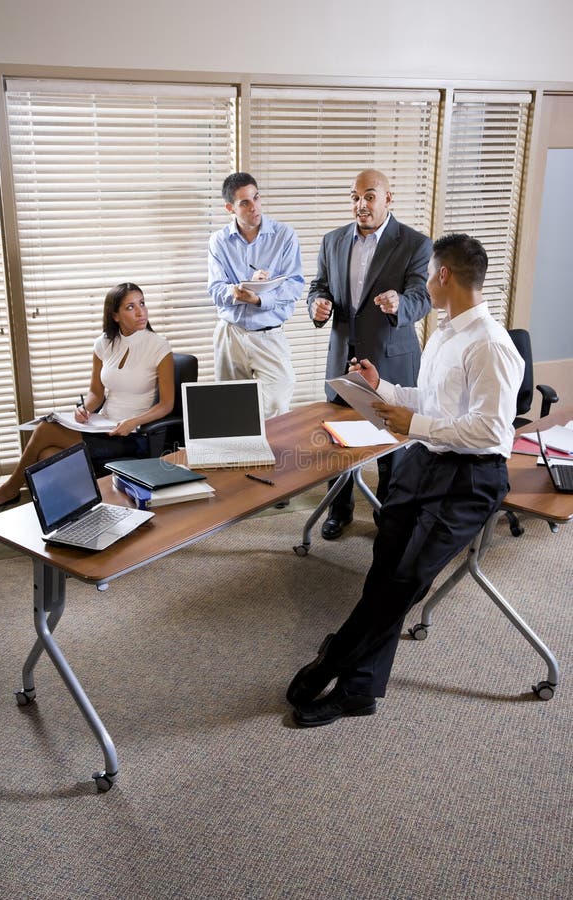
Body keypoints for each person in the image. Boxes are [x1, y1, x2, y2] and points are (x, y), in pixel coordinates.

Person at [287, 234, 525, 728]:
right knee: (384, 572)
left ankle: (336, 655)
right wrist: (382, 389)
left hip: (471, 477)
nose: (421, 284)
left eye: (429, 274)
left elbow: (489, 430)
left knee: (404, 581)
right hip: (426, 459)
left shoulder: (491, 345)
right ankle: (360, 690)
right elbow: (430, 400)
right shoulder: (443, 333)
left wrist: (411, 425)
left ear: (444, 276)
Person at [308, 168, 432, 540]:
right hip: (343, 357)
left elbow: (422, 297)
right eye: (355, 197)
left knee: (393, 445)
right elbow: (319, 287)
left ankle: (389, 515)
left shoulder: (414, 243)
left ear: (388, 199)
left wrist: (399, 303)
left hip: (392, 359)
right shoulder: (332, 240)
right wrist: (316, 304)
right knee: (340, 441)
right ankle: (339, 510)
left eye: (369, 196)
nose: (360, 205)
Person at [0, 283, 174, 512]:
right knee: (47, 454)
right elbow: (96, 393)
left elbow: (166, 404)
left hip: (133, 436)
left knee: (45, 430)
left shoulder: (159, 346)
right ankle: (73, 515)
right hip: (103, 427)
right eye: (130, 307)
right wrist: (84, 409)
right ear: (115, 315)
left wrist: (133, 422)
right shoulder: (104, 343)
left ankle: (10, 490)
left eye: (142, 303)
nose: (141, 312)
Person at [207, 172, 304, 419]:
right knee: (232, 410)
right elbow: (216, 289)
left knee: (276, 404)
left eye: (256, 198)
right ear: (230, 208)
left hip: (268, 333)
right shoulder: (218, 241)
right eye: (245, 203)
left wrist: (260, 297)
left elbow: (294, 285)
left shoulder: (284, 236)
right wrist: (237, 291)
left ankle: (274, 456)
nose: (254, 207)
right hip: (231, 334)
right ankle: (239, 457)